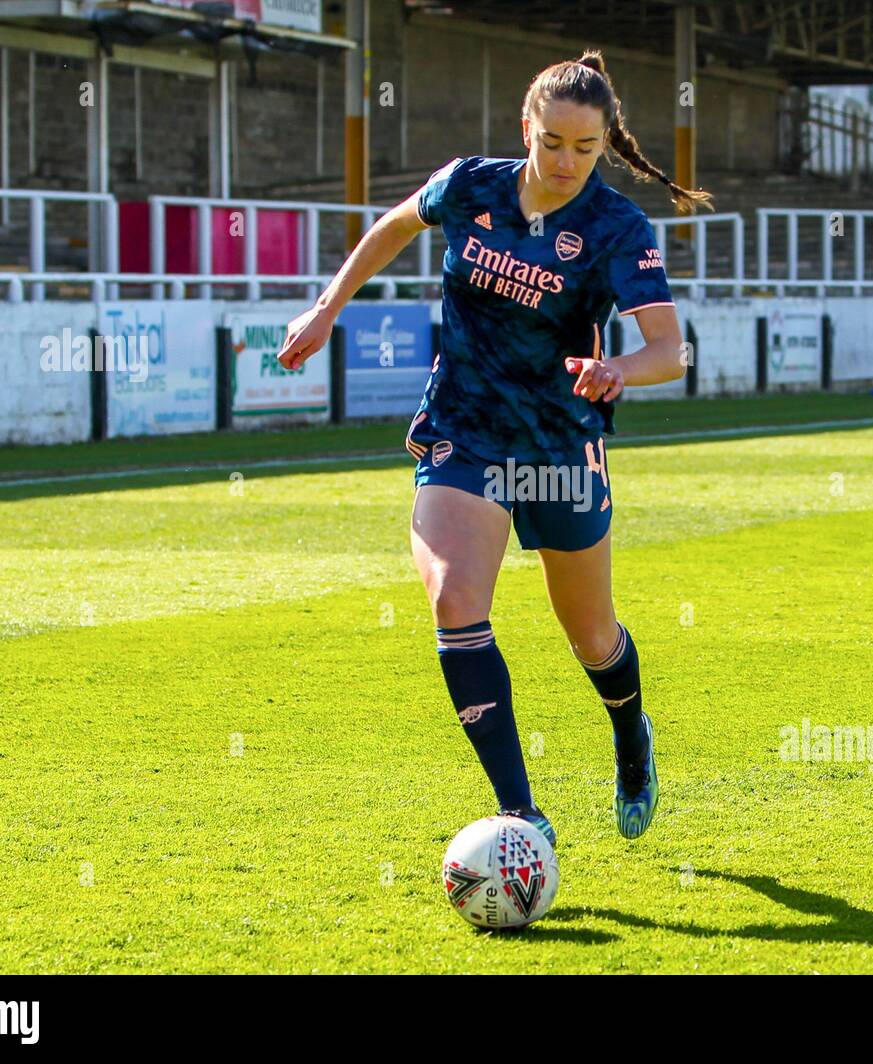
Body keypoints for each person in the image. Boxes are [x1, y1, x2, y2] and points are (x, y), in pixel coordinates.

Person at [276, 50, 711, 848]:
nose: (567, 162)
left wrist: (617, 369)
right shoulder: (471, 182)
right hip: (466, 426)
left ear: (606, 140)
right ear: (526, 128)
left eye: (586, 148)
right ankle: (522, 814)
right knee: (453, 601)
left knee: (591, 636)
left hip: (558, 440)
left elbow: (671, 351)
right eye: (552, 143)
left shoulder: (617, 226)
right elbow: (392, 226)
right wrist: (327, 307)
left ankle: (630, 735)